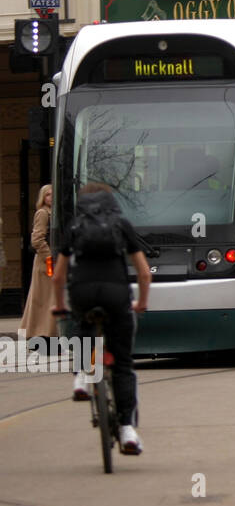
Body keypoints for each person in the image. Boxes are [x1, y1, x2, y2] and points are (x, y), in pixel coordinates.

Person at [50, 183, 151, 455]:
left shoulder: (74, 227)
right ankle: (128, 430)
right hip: (116, 294)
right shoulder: (121, 224)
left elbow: (58, 277)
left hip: (82, 291)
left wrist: (60, 307)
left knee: (82, 323)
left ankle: (83, 375)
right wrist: (141, 303)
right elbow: (144, 273)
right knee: (123, 365)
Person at [18, 184, 56, 342]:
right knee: (45, 300)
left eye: (53, 194)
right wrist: (50, 257)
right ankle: (42, 337)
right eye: (48, 194)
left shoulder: (54, 213)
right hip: (45, 262)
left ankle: (48, 337)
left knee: (49, 300)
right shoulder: (42, 213)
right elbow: (37, 240)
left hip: (49, 261)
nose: (51, 197)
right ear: (43, 197)